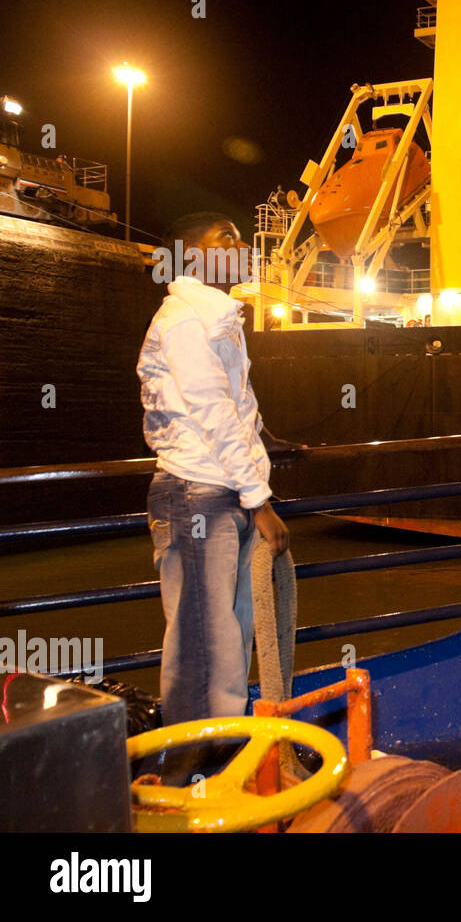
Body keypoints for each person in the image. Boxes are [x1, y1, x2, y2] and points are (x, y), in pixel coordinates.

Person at [137, 212, 300, 740]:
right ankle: (195, 771)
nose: (241, 243)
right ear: (193, 256)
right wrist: (261, 502)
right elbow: (209, 411)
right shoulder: (185, 320)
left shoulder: (217, 317)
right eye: (224, 237)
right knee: (205, 644)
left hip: (219, 488)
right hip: (196, 494)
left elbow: (233, 402)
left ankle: (223, 752)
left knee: (231, 635)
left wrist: (264, 440)